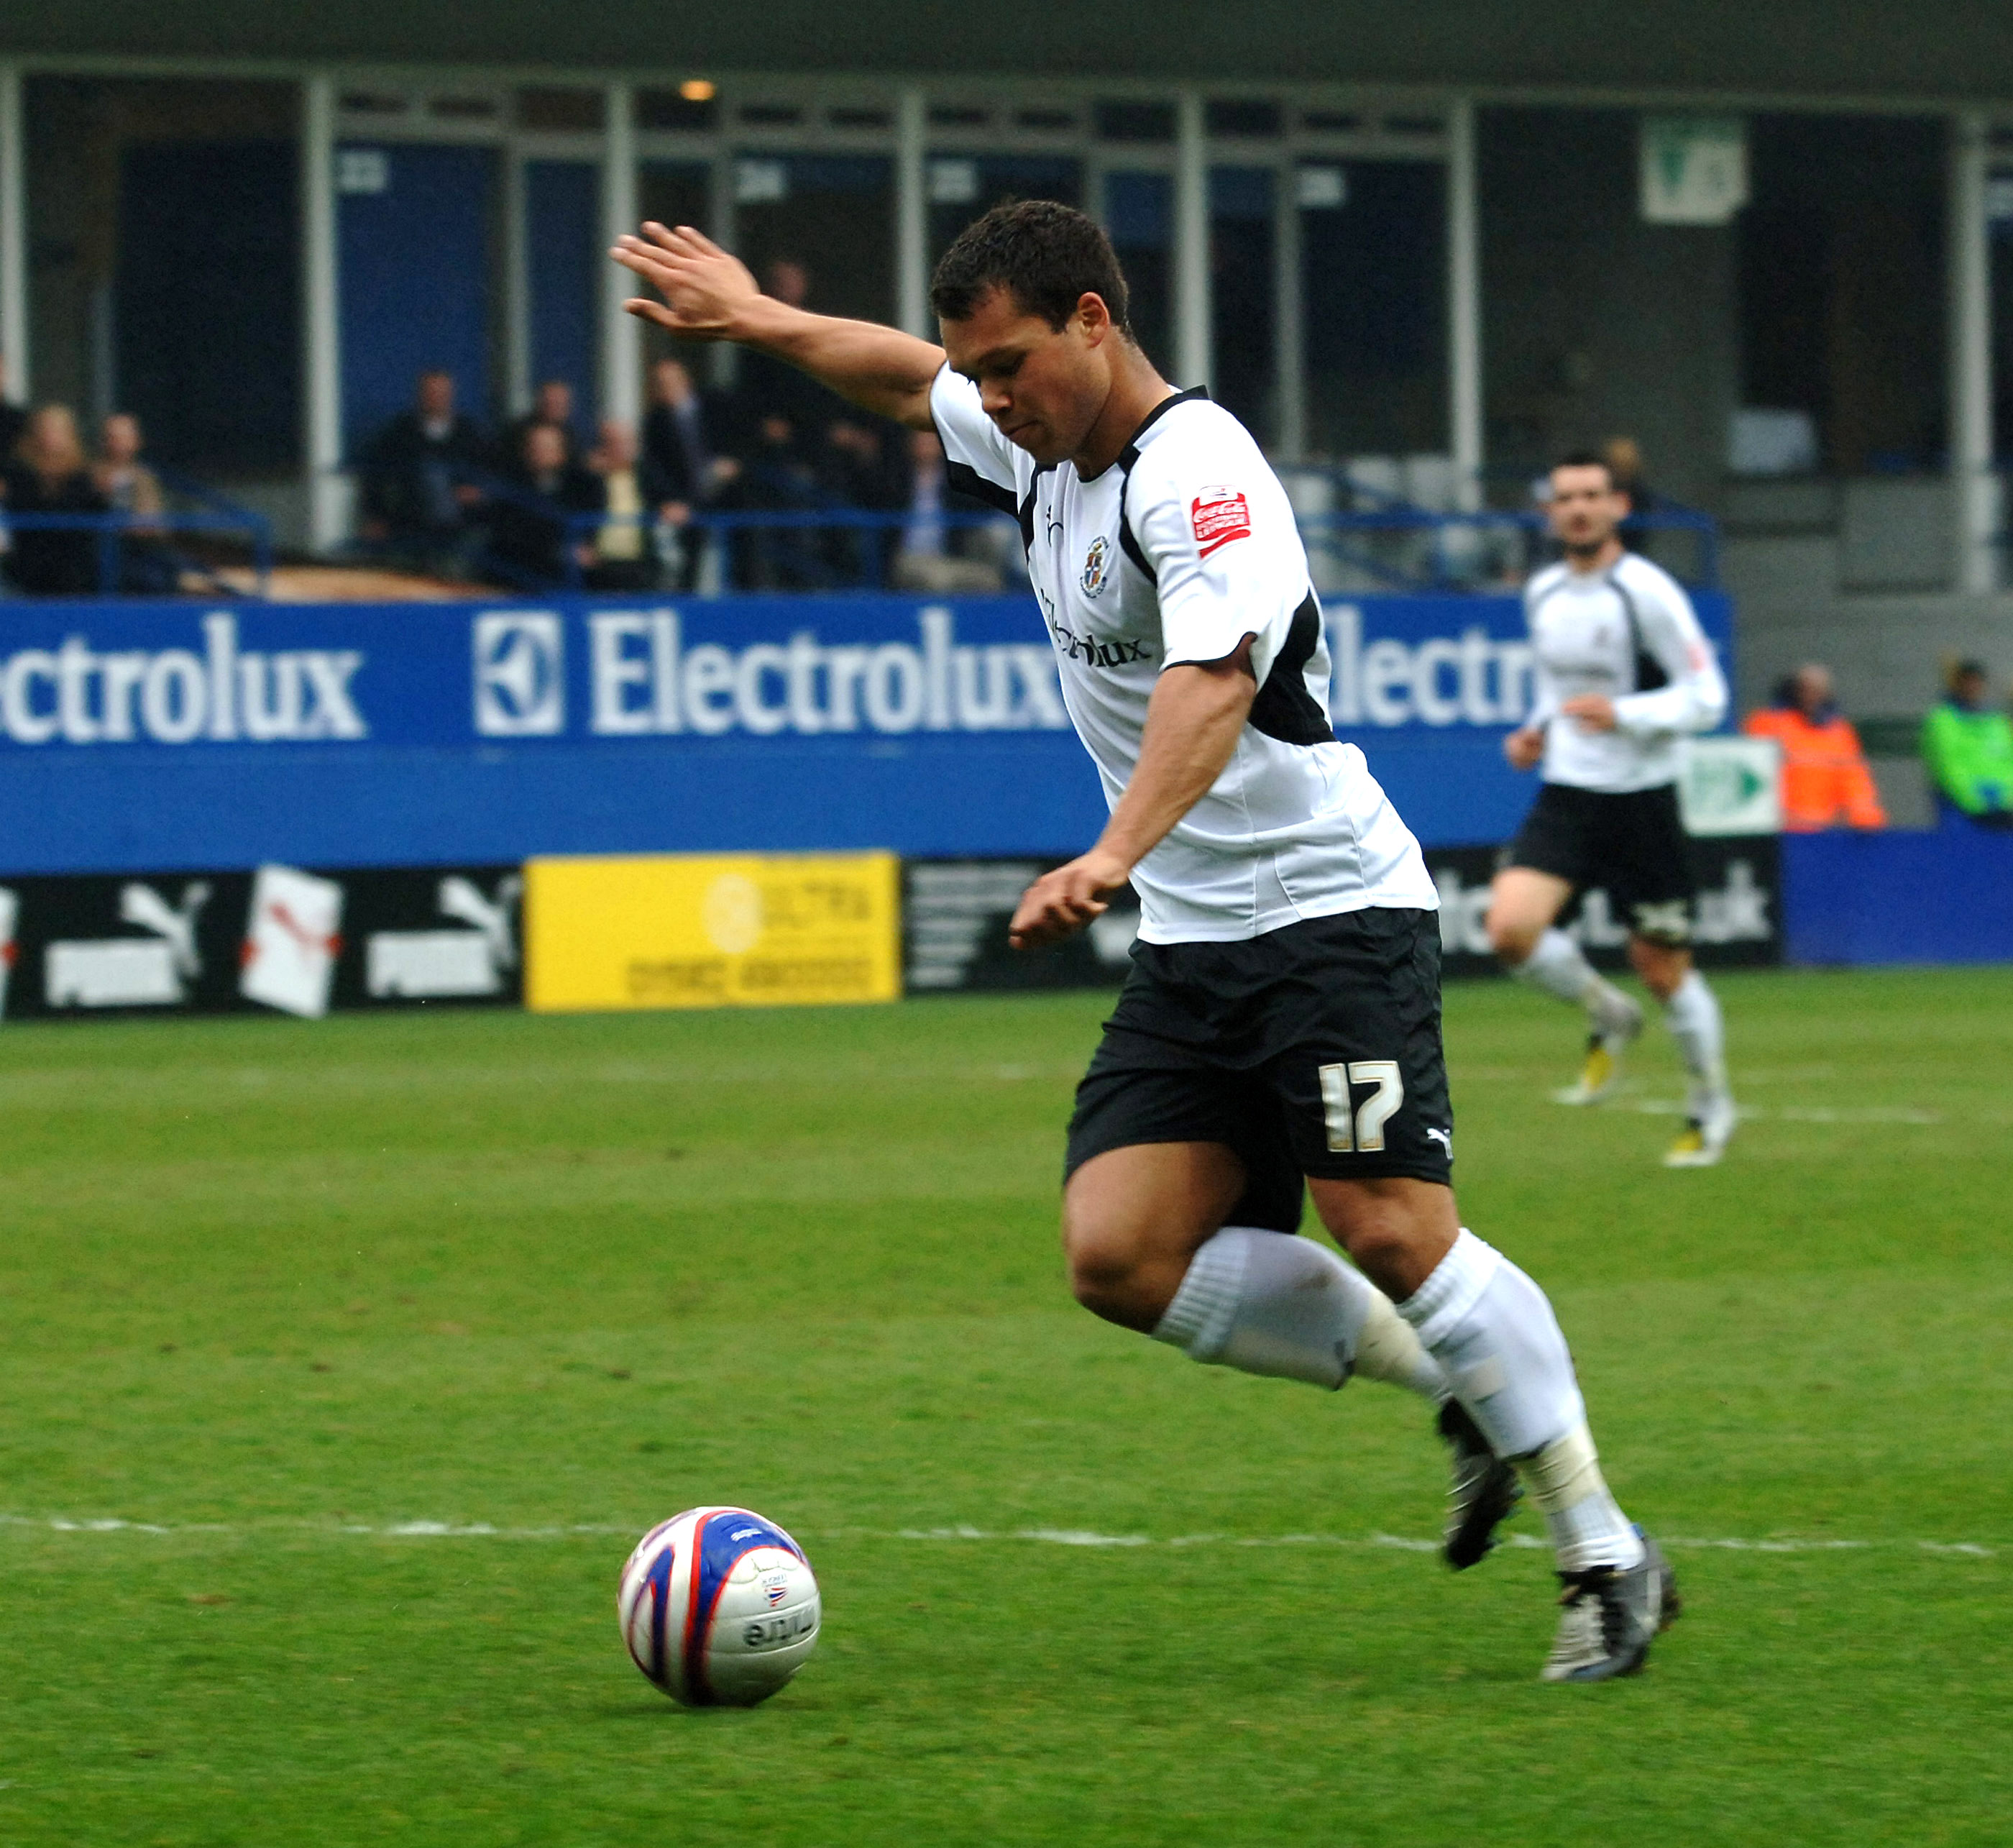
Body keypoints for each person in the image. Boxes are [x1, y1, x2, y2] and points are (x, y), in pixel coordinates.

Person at [615, 201, 1679, 1683]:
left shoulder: (1198, 471)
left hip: (1324, 909)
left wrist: (1111, 854)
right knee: (1119, 1254)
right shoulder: (1028, 441)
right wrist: (755, 317)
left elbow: (1214, 678)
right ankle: (1457, 1389)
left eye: (1008, 365)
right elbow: (888, 372)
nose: (985, 399)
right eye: (976, 375)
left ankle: (1603, 1552)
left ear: (1093, 324)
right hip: (1196, 936)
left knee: (1388, 1228)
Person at [1485, 452, 1735, 1168]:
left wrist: (1623, 712)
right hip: (1569, 791)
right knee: (1508, 929)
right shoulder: (1544, 594)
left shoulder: (1646, 592)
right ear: (1550, 512)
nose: (1579, 509)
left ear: (1618, 506)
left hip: (1642, 802)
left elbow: (1707, 697)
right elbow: (1554, 687)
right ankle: (1606, 1011)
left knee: (1662, 968)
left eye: (1592, 495)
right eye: (1565, 497)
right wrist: (1536, 730)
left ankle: (1709, 1107)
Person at [357, 370, 490, 575]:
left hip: (461, 525)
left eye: (442, 392)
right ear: (420, 394)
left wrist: (478, 491)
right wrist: (375, 517)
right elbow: (375, 477)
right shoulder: (398, 433)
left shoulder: (471, 433)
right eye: (430, 392)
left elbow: (488, 474)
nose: (436, 398)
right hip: (409, 523)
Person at [1743, 664, 1886, 832]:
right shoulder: (1766, 724)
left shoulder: (1839, 733)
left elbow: (1854, 779)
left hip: (1819, 830)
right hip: (1774, 830)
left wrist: (1864, 813)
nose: (1811, 696)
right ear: (1794, 690)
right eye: (1805, 689)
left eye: (1818, 691)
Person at [642, 357, 739, 587]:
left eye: (671, 382)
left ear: (685, 381)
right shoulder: (655, 423)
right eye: (660, 383)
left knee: (740, 553)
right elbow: (655, 469)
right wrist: (672, 501)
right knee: (689, 565)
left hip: (727, 497)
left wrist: (732, 463)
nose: (666, 388)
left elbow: (739, 441)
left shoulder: (714, 407)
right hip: (686, 504)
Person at [1, 404, 111, 595]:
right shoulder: (16, 473)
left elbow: (96, 517)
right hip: (25, 564)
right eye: (46, 429)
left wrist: (104, 493)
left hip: (75, 570)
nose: (51, 436)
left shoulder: (86, 477)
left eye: (58, 430)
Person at [484, 421, 602, 587]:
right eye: (536, 447)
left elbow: (588, 523)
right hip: (522, 569)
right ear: (526, 452)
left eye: (548, 448)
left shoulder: (579, 485)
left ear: (562, 453)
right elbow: (510, 532)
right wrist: (558, 551)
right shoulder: (512, 486)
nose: (541, 453)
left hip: (569, 570)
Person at [889, 428, 1004, 593]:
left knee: (989, 579)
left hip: (949, 556)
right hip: (908, 557)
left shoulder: (954, 480)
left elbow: (978, 507)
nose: (927, 446)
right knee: (940, 581)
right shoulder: (897, 480)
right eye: (922, 441)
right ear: (910, 445)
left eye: (931, 441)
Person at [93, 412, 183, 595]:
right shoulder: (90, 475)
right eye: (114, 437)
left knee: (175, 570)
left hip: (146, 549)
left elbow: (155, 521)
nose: (120, 444)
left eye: (126, 437)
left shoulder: (145, 476)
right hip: (108, 550)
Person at [584, 418, 677, 593]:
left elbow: (671, 497)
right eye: (613, 443)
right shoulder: (588, 478)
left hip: (639, 561)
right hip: (599, 563)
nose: (621, 449)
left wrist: (671, 506)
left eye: (626, 442)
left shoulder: (646, 474)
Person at [1922, 660, 2013, 831]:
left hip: (2004, 808)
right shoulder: (1942, 720)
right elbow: (1947, 767)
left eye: (1976, 682)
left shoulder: (1996, 721)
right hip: (1960, 807)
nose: (1972, 687)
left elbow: (2008, 762)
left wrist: (2005, 800)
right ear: (1957, 684)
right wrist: (1977, 802)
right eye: (1967, 682)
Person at [497, 378, 581, 470]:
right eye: (550, 402)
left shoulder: (573, 434)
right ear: (539, 401)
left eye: (560, 403)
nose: (555, 407)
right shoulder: (517, 433)